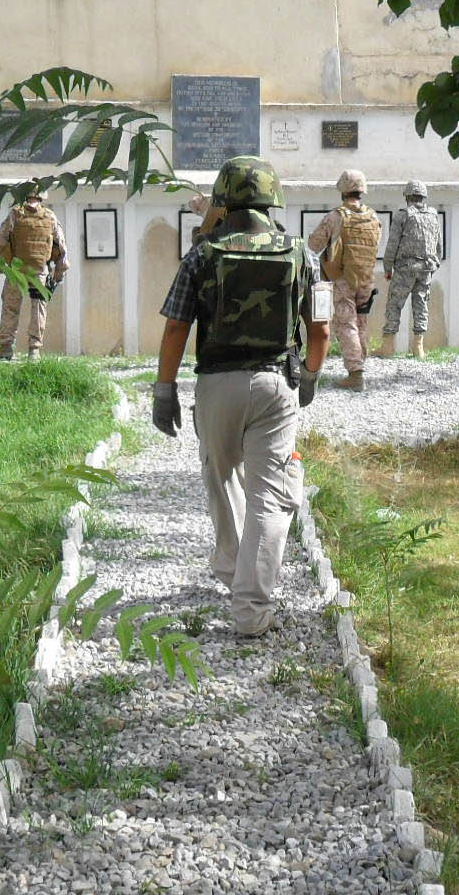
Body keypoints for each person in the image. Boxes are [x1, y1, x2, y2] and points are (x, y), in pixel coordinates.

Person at [152, 156, 332, 637]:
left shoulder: (202, 254)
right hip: (277, 385)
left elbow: (175, 326)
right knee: (270, 496)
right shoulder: (302, 253)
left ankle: (233, 569)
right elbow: (321, 329)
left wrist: (164, 389)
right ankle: (251, 609)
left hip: (217, 385)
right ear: (273, 199)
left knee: (220, 473)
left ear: (223, 200)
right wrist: (310, 376)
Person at [305, 169, 381, 391]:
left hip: (342, 278)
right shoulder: (373, 216)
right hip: (367, 277)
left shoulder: (336, 217)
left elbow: (313, 246)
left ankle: (356, 373)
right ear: (361, 191)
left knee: (346, 323)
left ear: (343, 191)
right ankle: (359, 364)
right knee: (361, 322)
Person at [0, 189, 67, 359]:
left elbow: (1, 241)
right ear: (42, 197)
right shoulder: (50, 217)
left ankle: (5, 347)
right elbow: (61, 247)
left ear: (26, 196)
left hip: (16, 272)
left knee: (10, 307)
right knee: (38, 309)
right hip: (39, 271)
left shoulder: (15, 215)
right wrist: (59, 273)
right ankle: (34, 350)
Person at [377, 179, 443, 358]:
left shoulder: (403, 214)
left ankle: (388, 347)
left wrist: (387, 267)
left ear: (407, 196)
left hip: (405, 269)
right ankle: (418, 348)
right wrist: (434, 264)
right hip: (426, 269)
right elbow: (438, 245)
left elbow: (392, 244)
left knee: (394, 305)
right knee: (421, 305)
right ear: (423, 196)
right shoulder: (433, 214)